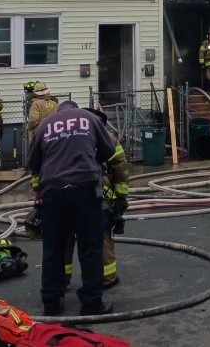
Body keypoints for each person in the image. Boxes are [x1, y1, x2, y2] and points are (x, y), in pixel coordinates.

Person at [28, 100, 117, 317]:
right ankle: (91, 303)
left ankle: (51, 302)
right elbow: (108, 151)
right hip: (84, 189)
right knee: (90, 247)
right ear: (75, 109)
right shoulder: (90, 119)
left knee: (53, 248)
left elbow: (33, 162)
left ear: (60, 111)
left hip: (54, 193)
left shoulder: (44, 126)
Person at [63, 108, 130, 289]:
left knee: (65, 238)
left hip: (64, 194)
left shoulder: (67, 136)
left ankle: (61, 279)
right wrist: (121, 197)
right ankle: (107, 278)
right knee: (101, 235)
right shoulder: (108, 137)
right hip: (98, 197)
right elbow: (120, 168)